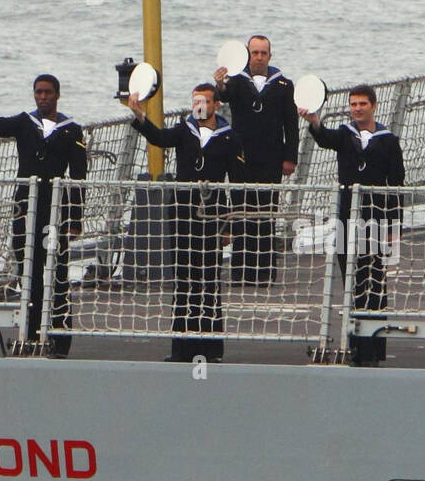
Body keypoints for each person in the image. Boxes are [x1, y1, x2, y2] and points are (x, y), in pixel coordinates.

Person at [0, 75, 85, 357]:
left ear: (57, 95)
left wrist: (75, 219)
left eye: (48, 92)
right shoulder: (25, 123)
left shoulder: (71, 130)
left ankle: (59, 335)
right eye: (38, 92)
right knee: (28, 270)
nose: (43, 97)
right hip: (26, 207)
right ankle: (30, 332)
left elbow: (78, 176)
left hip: (55, 209)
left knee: (56, 271)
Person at [126, 83, 245, 363]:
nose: (199, 106)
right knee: (184, 279)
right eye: (195, 101)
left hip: (213, 212)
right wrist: (139, 115)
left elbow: (237, 183)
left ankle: (212, 348)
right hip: (182, 211)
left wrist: (230, 224)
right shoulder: (183, 130)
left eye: (204, 101)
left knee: (209, 279)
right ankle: (182, 347)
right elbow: (159, 137)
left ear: (216, 105)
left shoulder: (230, 138)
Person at [298, 85, 404, 366]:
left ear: (373, 106)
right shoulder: (345, 135)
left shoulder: (388, 140)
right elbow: (325, 138)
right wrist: (314, 121)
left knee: (375, 281)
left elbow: (396, 185)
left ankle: (374, 347)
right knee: (351, 283)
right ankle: (355, 345)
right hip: (347, 219)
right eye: (353, 104)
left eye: (362, 104)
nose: (357, 108)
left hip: (377, 218)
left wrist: (394, 225)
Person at [213, 34, 298, 285]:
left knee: (266, 215)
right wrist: (219, 84)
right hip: (241, 158)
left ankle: (265, 273)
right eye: (254, 53)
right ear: (247, 55)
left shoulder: (283, 84)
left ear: (270, 56)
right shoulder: (237, 81)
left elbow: (291, 125)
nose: (259, 57)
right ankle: (240, 273)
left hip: (271, 158)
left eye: (263, 53)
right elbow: (225, 95)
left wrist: (289, 157)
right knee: (240, 213)